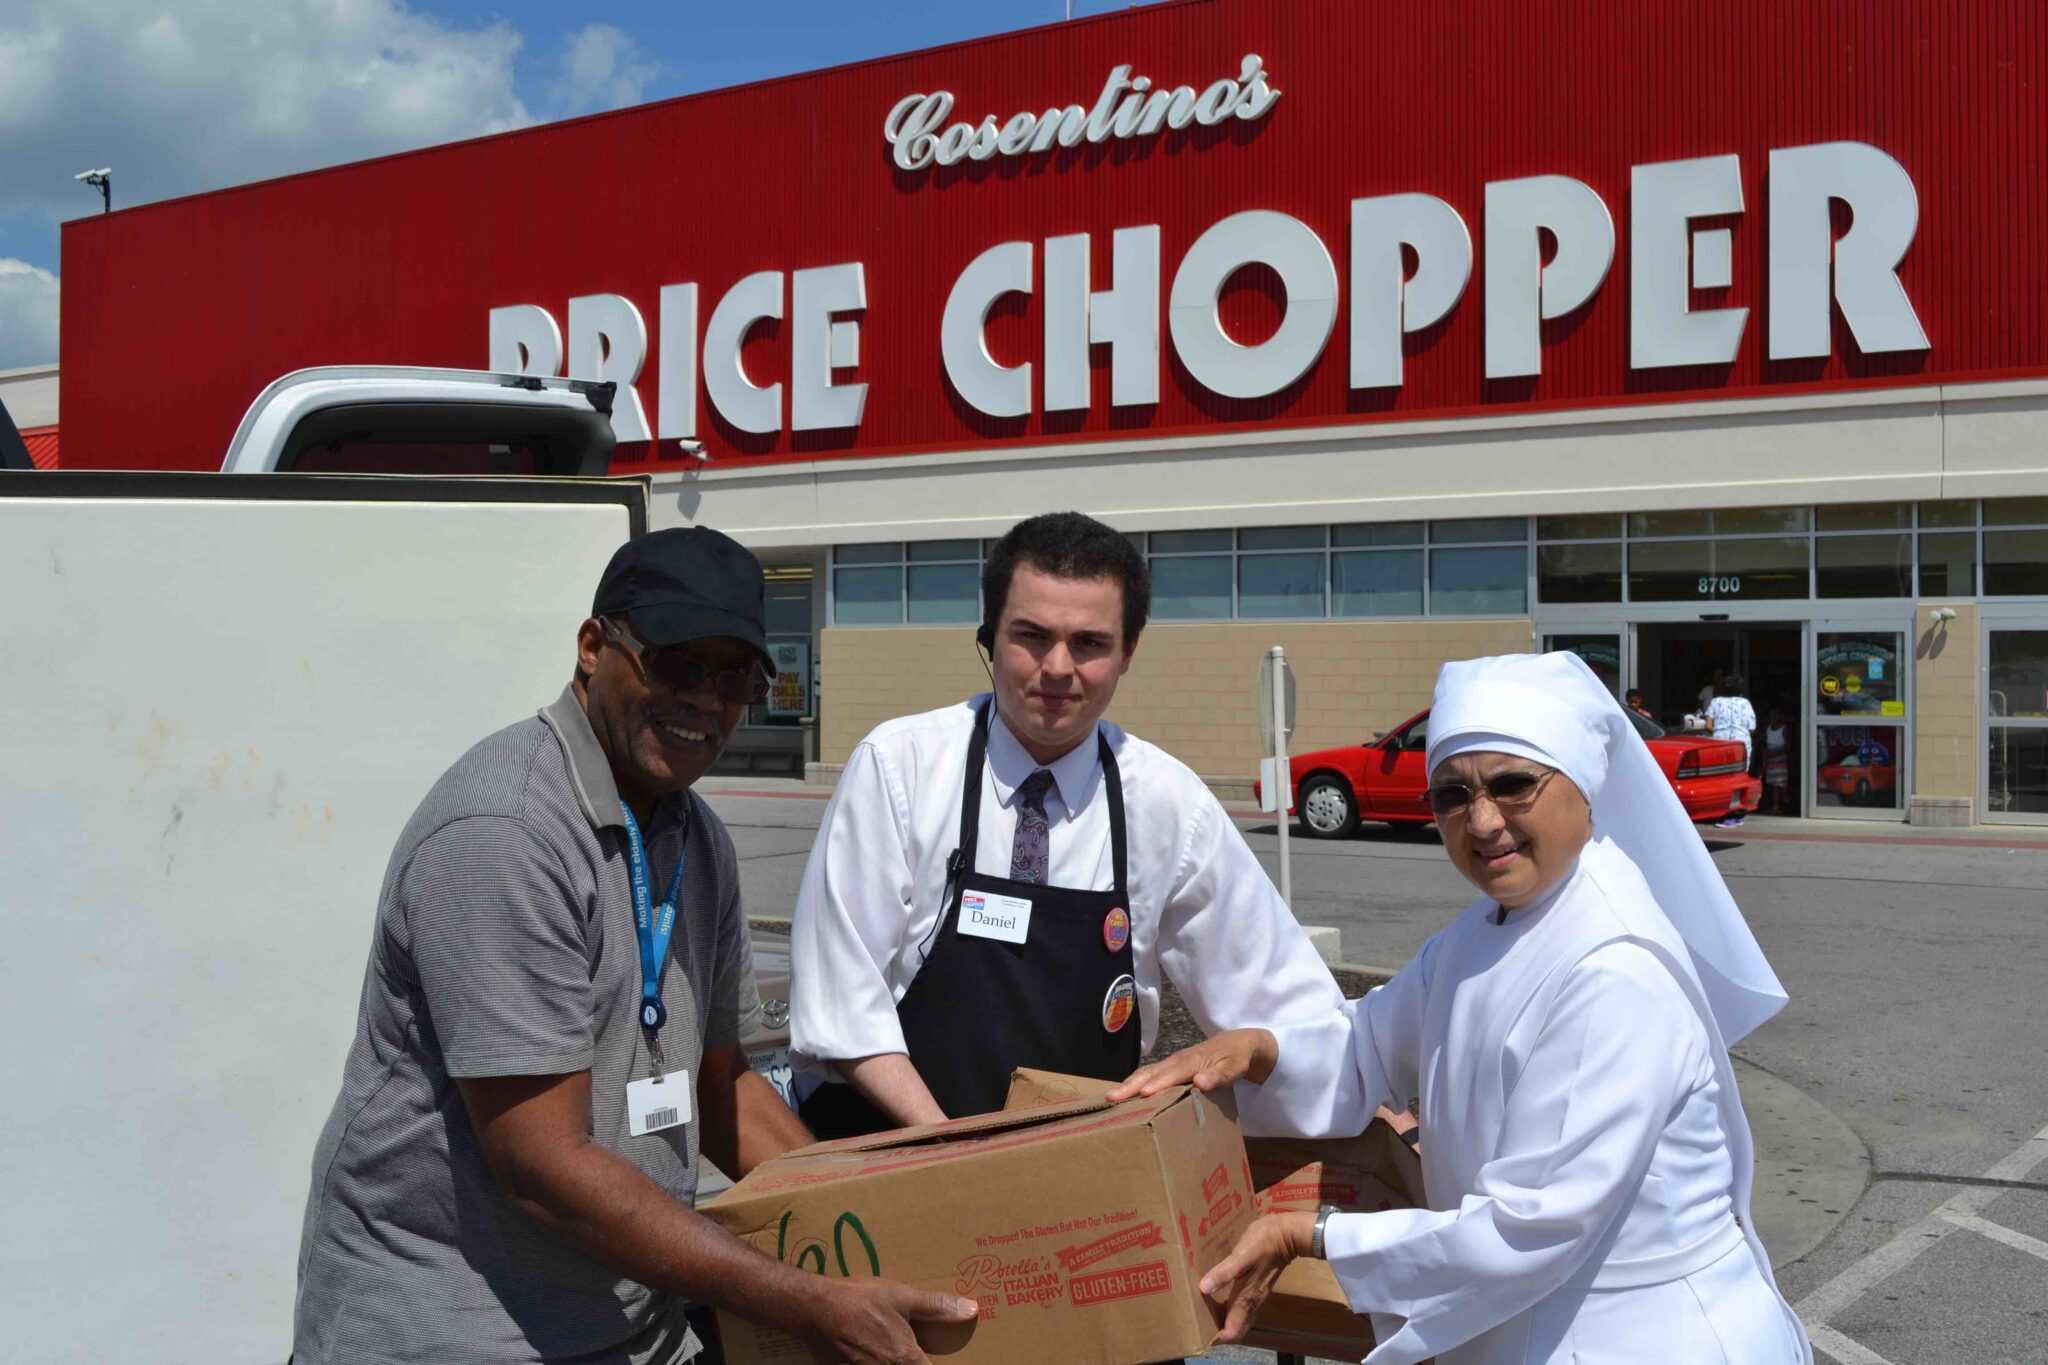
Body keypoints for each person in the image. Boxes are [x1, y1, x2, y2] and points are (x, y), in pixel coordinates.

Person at [293, 527, 977, 1365]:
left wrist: (888, 1215)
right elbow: (540, 1164)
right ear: (593, 648)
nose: (707, 699)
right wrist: (808, 1300)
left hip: (631, 1325)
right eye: (678, 663)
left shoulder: (697, 837)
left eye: (736, 678)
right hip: (458, 1333)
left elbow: (718, 1084)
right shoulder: (506, 830)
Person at [1115, 651, 1811, 1365]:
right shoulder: (1484, 930)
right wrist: (1257, 1049)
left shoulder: (1614, 968)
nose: (1482, 821)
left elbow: (1529, 1224)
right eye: (1451, 794)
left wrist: (1315, 1234)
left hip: (1642, 1332)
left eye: (1513, 785)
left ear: (1583, 782)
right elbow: (1368, 1044)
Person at [788, 511, 1343, 1137]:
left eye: (1089, 643)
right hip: (886, 1150)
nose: (1057, 668)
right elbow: (841, 1008)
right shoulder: (900, 768)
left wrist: (1375, 1102)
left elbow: (1292, 1009)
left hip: (1078, 1184)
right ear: (989, 636)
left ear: (1128, 651)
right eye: (1031, 636)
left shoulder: (1170, 805)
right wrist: (952, 1151)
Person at [1706, 674, 1759, 828]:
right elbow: (1752, 727)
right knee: (1740, 778)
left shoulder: (1715, 702)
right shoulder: (1745, 703)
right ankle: (1737, 814)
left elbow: (1709, 726)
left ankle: (1721, 812)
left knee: (1721, 778)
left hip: (1720, 744)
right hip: (1740, 744)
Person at [1763, 704, 1794, 815]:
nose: (1772, 718)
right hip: (1771, 760)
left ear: (1780, 716)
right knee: (1773, 785)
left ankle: (1786, 805)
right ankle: (1776, 807)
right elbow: (1766, 744)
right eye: (1770, 716)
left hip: (1780, 760)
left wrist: (1775, 752)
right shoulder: (1768, 729)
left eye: (1775, 716)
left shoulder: (1783, 728)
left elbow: (1787, 746)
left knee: (1781, 785)